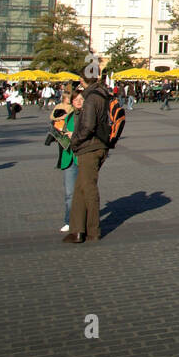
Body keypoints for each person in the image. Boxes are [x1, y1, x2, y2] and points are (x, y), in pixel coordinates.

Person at [65, 74, 112, 243]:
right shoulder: (102, 93)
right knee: (79, 189)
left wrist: (76, 140)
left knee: (88, 188)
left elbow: (89, 126)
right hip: (97, 145)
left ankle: (93, 230)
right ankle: (77, 230)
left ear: (83, 80)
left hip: (90, 147)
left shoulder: (91, 98)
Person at [51, 91, 81, 232]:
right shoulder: (68, 117)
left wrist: (74, 135)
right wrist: (58, 134)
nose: (79, 102)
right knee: (69, 193)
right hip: (68, 157)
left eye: (81, 99)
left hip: (82, 158)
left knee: (84, 192)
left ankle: (83, 220)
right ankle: (69, 220)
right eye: (76, 100)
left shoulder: (88, 117)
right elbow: (57, 127)